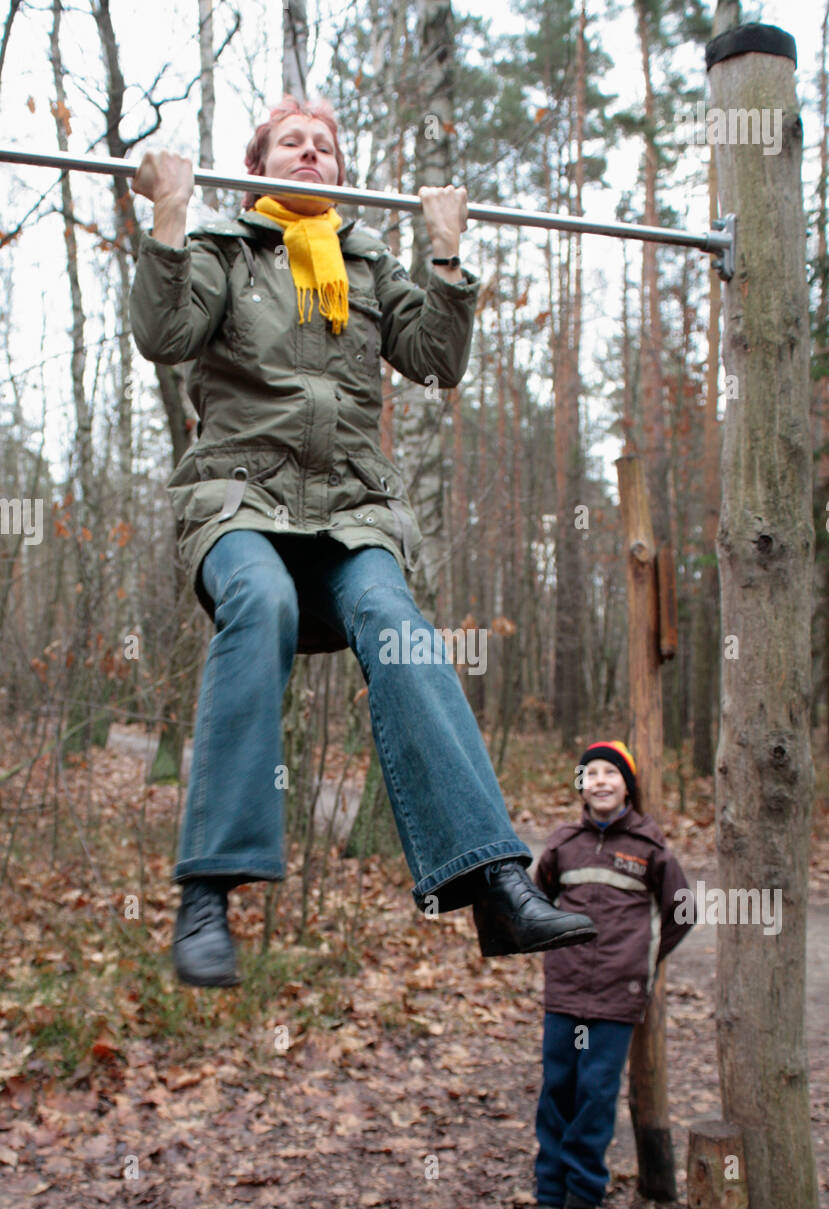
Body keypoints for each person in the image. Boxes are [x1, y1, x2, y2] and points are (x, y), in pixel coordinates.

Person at [128, 93, 596, 988]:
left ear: (341, 174)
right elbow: (165, 332)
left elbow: (438, 359)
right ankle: (207, 895)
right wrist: (171, 216)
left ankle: (496, 883)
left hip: (350, 511)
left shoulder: (366, 264)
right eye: (292, 144)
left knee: (397, 620)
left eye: (327, 149)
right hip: (240, 501)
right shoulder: (227, 251)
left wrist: (448, 255)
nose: (312, 156)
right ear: (259, 164)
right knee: (258, 601)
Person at [530, 740, 692, 1209]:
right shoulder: (563, 843)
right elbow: (535, 902)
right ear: (580, 785)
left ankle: (581, 1206)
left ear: (628, 784)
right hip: (565, 991)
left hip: (616, 1003)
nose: (599, 781)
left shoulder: (649, 847)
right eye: (590, 773)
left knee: (596, 1098)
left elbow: (681, 912)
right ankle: (549, 1199)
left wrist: (641, 962)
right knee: (558, 1091)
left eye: (610, 773)